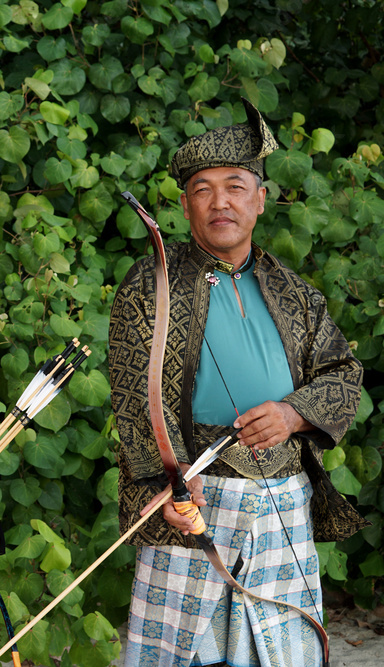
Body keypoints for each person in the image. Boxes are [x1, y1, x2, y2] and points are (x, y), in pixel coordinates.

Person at [109, 99, 367, 666]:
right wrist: (170, 482)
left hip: (283, 495)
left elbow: (344, 373)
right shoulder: (151, 283)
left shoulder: (293, 290)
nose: (220, 201)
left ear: (260, 199)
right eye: (203, 189)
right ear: (184, 204)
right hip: (193, 500)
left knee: (279, 652)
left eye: (235, 185)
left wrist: (294, 413)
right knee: (186, 654)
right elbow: (135, 399)